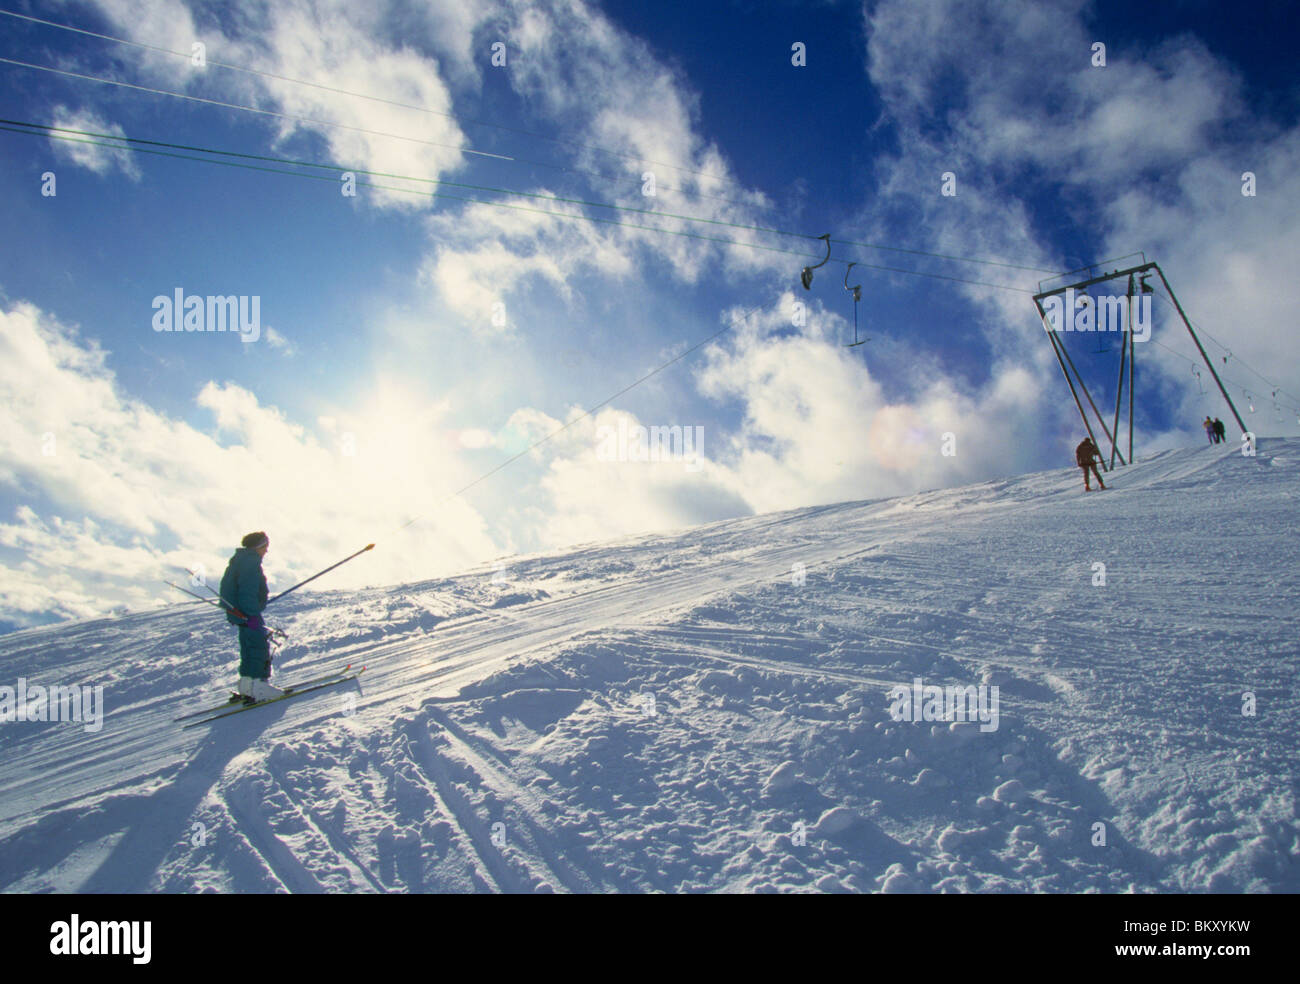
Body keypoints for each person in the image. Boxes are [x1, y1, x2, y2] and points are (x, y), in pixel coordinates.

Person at [219, 531, 282, 701]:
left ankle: (246, 686)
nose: (266, 551)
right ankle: (259, 686)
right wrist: (252, 611)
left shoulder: (239, 560)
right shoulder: (251, 562)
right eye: (265, 547)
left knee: (248, 647)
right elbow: (247, 590)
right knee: (258, 646)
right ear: (258, 547)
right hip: (249, 614)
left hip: (240, 614)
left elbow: (227, 588)